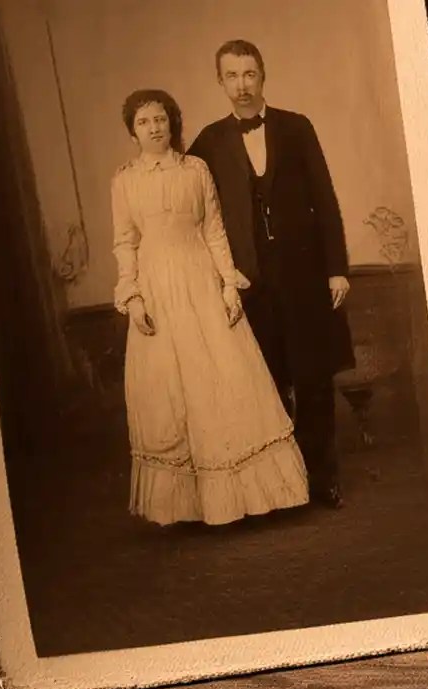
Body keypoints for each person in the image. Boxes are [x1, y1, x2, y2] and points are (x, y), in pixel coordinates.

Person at [110, 88, 310, 526]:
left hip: (201, 281)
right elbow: (125, 242)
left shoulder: (195, 169)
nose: (154, 128)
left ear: (171, 123)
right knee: (174, 389)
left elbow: (215, 231)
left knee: (222, 377)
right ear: (133, 133)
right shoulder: (124, 181)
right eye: (143, 122)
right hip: (157, 289)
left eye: (160, 119)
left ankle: (243, 499)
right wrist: (133, 296)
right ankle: (189, 506)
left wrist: (228, 286)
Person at [188, 40, 355, 509]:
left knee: (314, 378)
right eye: (232, 76)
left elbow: (325, 199)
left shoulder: (297, 127)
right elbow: (192, 208)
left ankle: (323, 479)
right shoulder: (209, 142)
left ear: (263, 75)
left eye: (249, 74)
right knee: (268, 383)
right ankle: (284, 485)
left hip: (305, 275)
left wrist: (336, 269)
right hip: (251, 282)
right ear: (220, 82)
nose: (242, 85)